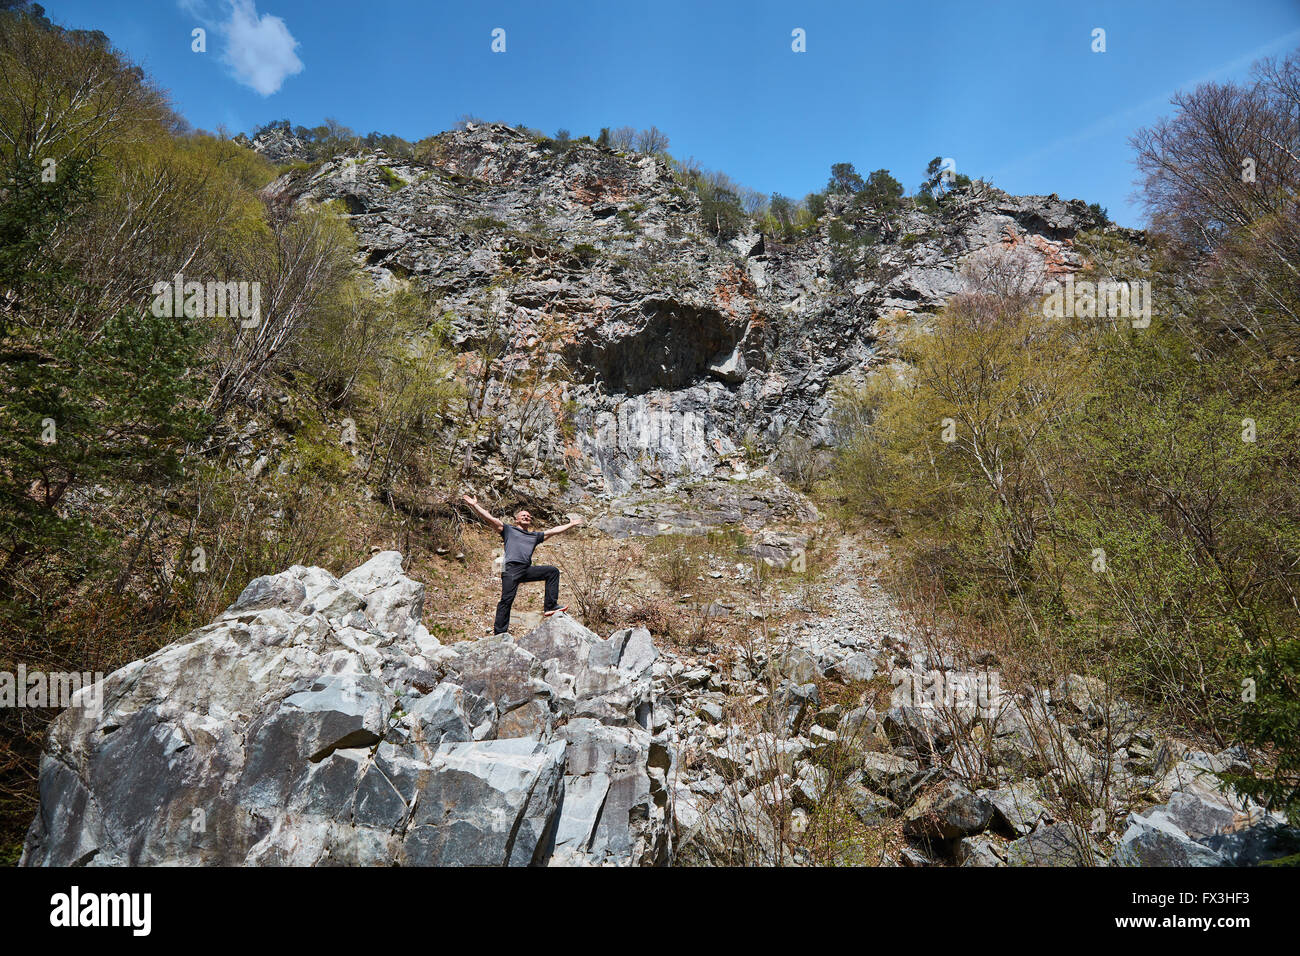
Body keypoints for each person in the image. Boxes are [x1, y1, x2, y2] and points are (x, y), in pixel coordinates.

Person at [461, 493, 583, 635]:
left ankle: (550, 606)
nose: (526, 517)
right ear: (516, 519)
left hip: (525, 570)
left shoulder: (534, 536)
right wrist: (475, 505)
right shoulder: (508, 530)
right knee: (506, 601)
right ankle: (500, 634)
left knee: (552, 571)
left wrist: (571, 524)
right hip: (511, 570)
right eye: (523, 515)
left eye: (528, 516)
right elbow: (490, 518)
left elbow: (553, 531)